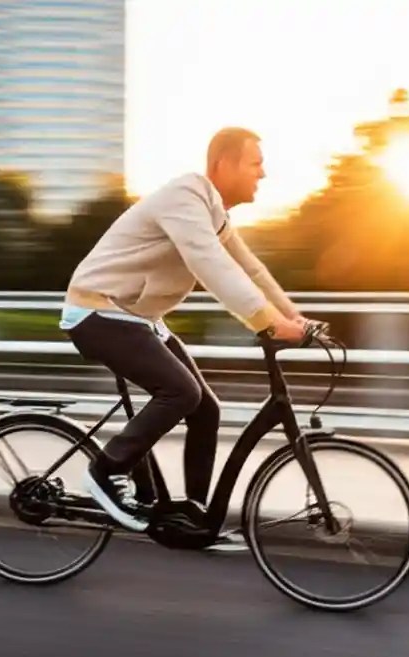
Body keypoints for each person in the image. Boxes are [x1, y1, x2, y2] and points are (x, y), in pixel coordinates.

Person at [59, 127, 308, 546]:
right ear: (223, 165)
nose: (262, 174)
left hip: (137, 317)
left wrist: (295, 317)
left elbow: (250, 270)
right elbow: (212, 266)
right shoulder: (184, 198)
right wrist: (266, 321)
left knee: (205, 408)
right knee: (181, 393)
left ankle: (192, 520)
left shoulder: (214, 214)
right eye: (255, 163)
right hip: (98, 310)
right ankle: (104, 472)